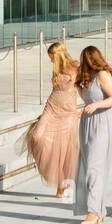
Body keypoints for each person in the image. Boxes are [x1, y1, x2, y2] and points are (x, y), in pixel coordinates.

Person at [19, 42, 80, 198]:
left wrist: (85, 108)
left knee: (64, 149)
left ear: (58, 55)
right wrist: (43, 113)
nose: (51, 61)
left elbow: (87, 88)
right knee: (37, 136)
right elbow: (55, 91)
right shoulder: (55, 70)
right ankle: (50, 174)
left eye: (52, 58)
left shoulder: (76, 68)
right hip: (51, 108)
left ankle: (61, 185)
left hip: (68, 112)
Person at [74, 46, 112, 224]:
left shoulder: (102, 75)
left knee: (95, 166)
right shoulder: (86, 78)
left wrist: (97, 105)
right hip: (87, 122)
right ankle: (99, 208)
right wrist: (77, 86)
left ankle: (93, 212)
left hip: (101, 122)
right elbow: (87, 99)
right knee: (87, 165)